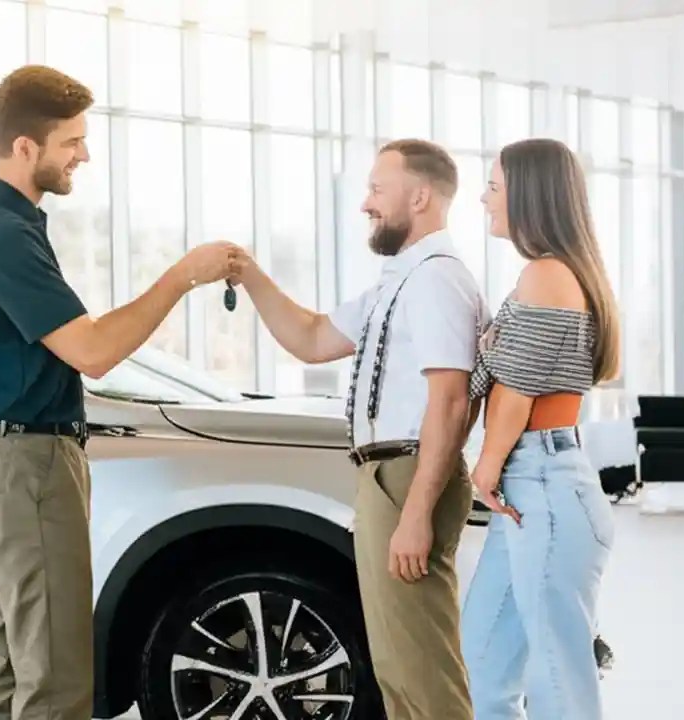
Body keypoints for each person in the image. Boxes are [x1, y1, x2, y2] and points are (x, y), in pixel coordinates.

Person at [0, 64, 240, 720]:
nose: (84, 154)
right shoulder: (3, 237)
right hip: (31, 467)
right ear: (26, 147)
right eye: (71, 141)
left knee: (14, 666)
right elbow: (94, 351)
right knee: (55, 676)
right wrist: (183, 276)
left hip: (11, 460)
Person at [230, 138, 484, 719]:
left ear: (419, 196)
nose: (365, 204)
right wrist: (250, 276)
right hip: (386, 475)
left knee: (422, 668)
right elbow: (315, 338)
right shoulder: (399, 280)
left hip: (408, 472)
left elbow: (449, 400)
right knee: (398, 664)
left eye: (376, 189)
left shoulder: (437, 280)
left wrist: (416, 513)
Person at [460, 138, 620, 719]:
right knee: (481, 663)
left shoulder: (547, 275)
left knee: (558, 681)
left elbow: (515, 395)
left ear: (530, 196)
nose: (484, 198)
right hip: (533, 489)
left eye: (495, 187)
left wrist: (484, 468)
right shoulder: (549, 274)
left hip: (543, 485)